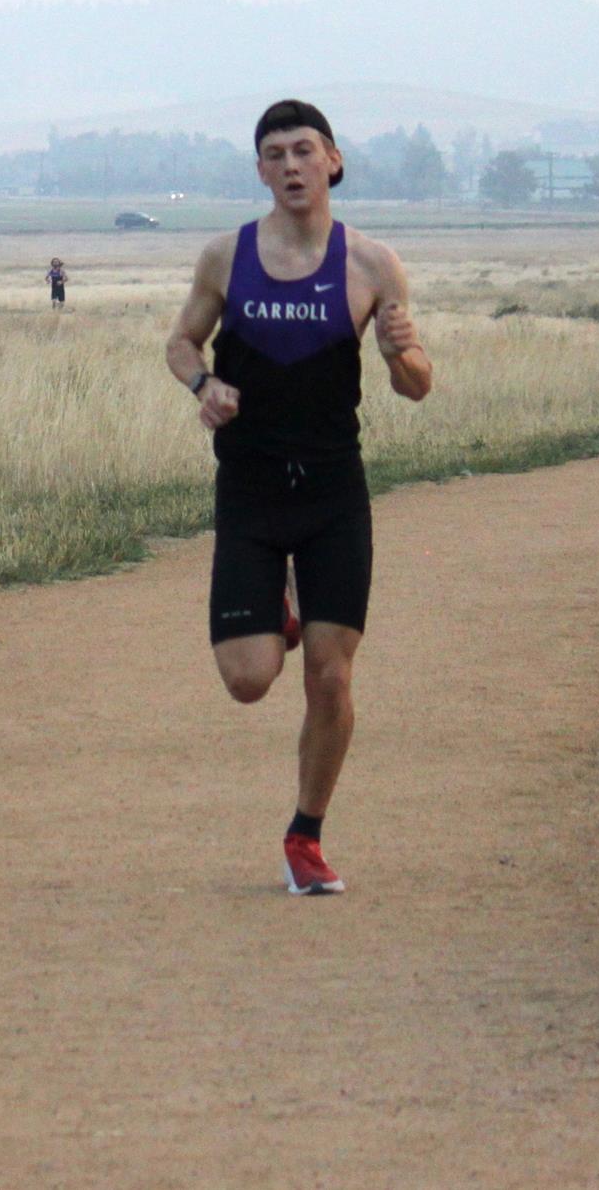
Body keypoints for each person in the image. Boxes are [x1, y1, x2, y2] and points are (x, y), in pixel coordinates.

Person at [165, 99, 432, 896]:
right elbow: (181, 343)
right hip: (249, 490)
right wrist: (204, 385)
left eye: (304, 151)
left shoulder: (373, 265)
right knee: (249, 680)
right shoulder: (227, 257)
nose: (290, 165)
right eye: (274, 153)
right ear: (260, 171)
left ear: (333, 162)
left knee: (330, 677)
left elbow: (418, 385)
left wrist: (401, 356)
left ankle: (306, 836)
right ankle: (276, 613)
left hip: (332, 493)